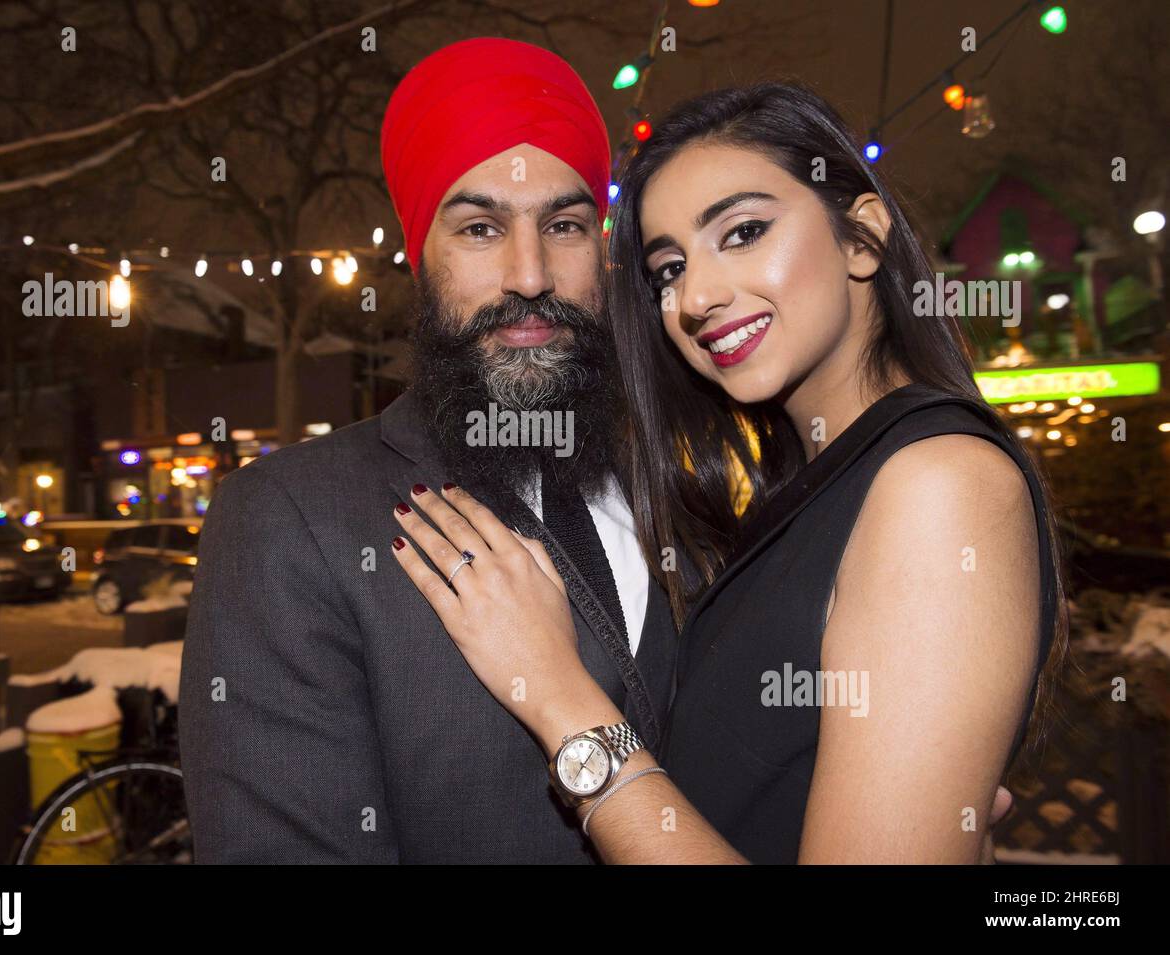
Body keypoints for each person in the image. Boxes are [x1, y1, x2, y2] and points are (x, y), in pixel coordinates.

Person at [388, 82, 1060, 864]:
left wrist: (559, 693)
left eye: (743, 231)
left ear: (862, 239)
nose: (696, 297)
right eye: (667, 268)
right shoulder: (808, 493)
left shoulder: (939, 484)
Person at [178, 37, 677, 863]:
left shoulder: (676, 483)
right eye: (481, 227)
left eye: (564, 224)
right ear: (421, 258)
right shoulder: (289, 519)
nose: (529, 274)